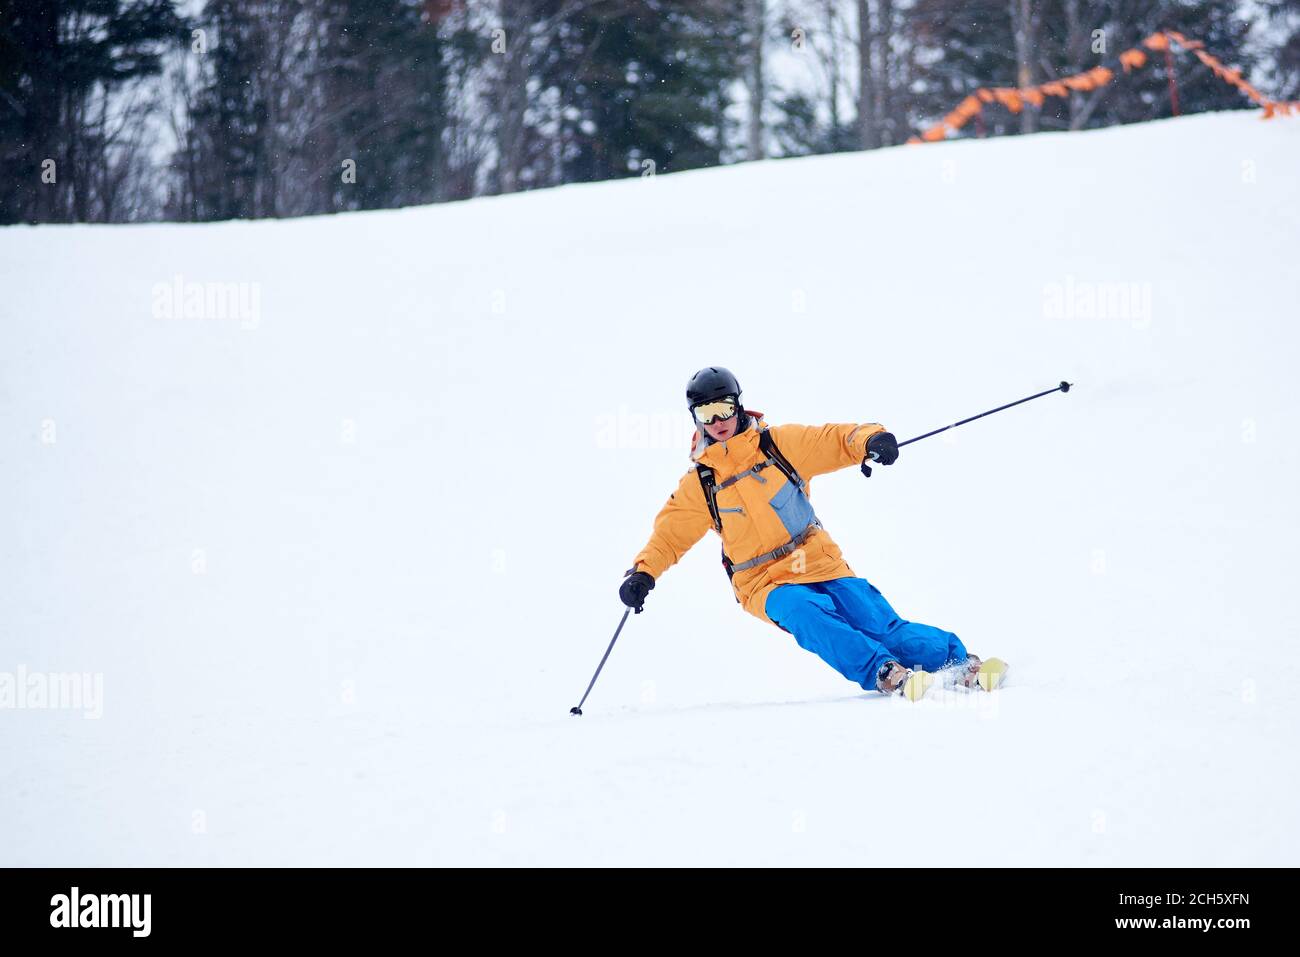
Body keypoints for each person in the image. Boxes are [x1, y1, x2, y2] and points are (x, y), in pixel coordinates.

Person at [620, 367, 1006, 701]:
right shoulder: (700, 483)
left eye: (723, 407)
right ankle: (884, 672)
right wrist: (643, 573)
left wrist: (870, 441)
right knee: (803, 611)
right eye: (706, 411)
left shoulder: (778, 446)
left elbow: (834, 440)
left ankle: (961, 663)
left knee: (880, 625)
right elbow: (669, 535)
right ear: (695, 418)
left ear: (738, 405)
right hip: (761, 581)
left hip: (818, 559)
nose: (717, 419)